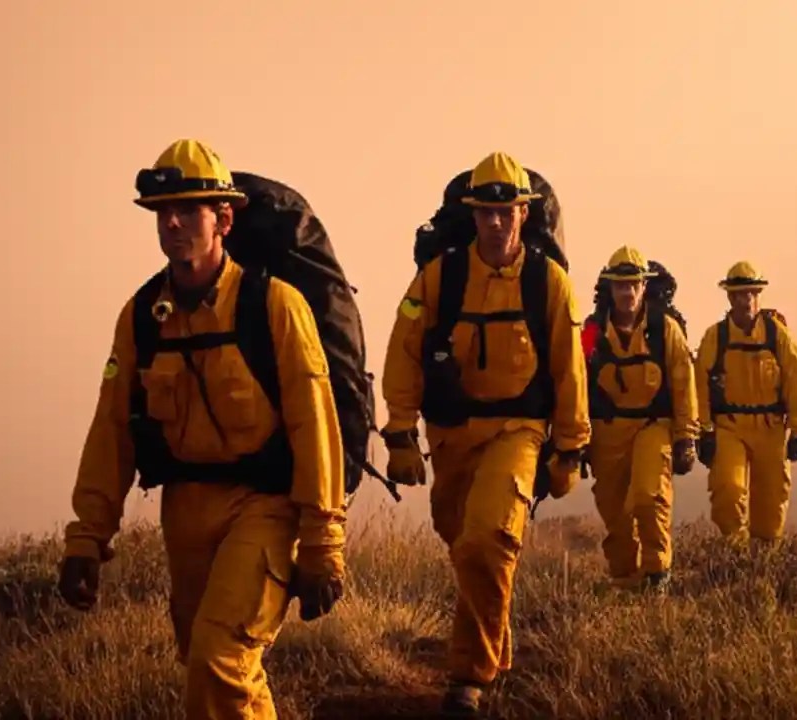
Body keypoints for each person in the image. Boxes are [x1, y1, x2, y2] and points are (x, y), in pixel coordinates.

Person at [56, 138, 349, 718]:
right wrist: (87, 537)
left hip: (264, 507)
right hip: (185, 510)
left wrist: (322, 542)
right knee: (207, 664)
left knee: (221, 658)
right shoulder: (142, 317)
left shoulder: (276, 306)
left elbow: (314, 424)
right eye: (163, 212)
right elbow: (112, 427)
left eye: (189, 210)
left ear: (224, 219)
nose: (173, 223)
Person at [380, 151, 590, 716]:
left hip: (517, 432)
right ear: (471, 214)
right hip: (450, 434)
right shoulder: (439, 277)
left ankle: (466, 679)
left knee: (487, 539)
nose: (496, 223)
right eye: (484, 212)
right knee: (460, 538)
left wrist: (569, 447)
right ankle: (495, 648)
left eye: (507, 211)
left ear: (525, 212)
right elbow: (403, 355)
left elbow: (570, 369)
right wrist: (400, 434)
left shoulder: (549, 283)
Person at [583, 247, 698, 593]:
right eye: (621, 285)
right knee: (615, 514)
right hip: (607, 432)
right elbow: (575, 379)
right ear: (610, 288)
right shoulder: (592, 332)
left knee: (650, 498)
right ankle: (625, 579)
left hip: (653, 426)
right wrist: (572, 438)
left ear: (644, 287)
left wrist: (686, 437)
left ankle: (656, 574)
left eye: (634, 284)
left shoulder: (666, 329)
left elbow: (683, 384)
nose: (627, 293)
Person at [695, 261, 797, 551]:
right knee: (727, 491)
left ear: (758, 296)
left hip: (771, 427)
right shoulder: (715, 338)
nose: (745, 300)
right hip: (728, 427)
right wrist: (704, 429)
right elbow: (699, 385)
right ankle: (736, 554)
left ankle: (764, 561)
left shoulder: (777, 336)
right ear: (729, 298)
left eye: (750, 293)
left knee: (772, 501)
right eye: (738, 294)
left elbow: (796, 381)